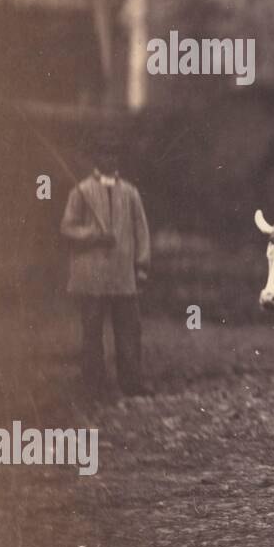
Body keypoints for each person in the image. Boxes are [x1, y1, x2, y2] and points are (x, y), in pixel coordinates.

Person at [60, 137, 152, 396]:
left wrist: (141, 266)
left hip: (123, 275)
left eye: (113, 154)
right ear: (95, 159)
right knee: (91, 333)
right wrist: (94, 235)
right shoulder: (81, 191)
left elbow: (141, 231)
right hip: (91, 275)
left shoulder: (130, 192)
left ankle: (132, 383)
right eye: (103, 154)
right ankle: (94, 386)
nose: (109, 160)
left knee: (129, 332)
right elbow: (67, 227)